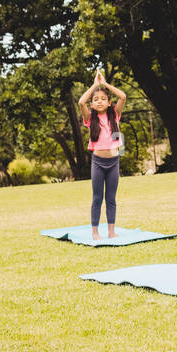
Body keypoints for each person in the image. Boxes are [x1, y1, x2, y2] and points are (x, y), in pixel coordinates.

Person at [77, 70, 127, 239]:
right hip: (98, 162)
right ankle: (95, 232)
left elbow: (123, 96)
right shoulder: (90, 119)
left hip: (114, 162)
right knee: (97, 198)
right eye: (96, 100)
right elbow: (81, 102)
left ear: (109, 103)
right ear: (92, 104)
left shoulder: (115, 116)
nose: (99, 102)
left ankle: (111, 232)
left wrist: (104, 84)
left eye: (103, 99)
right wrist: (95, 85)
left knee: (111, 198)